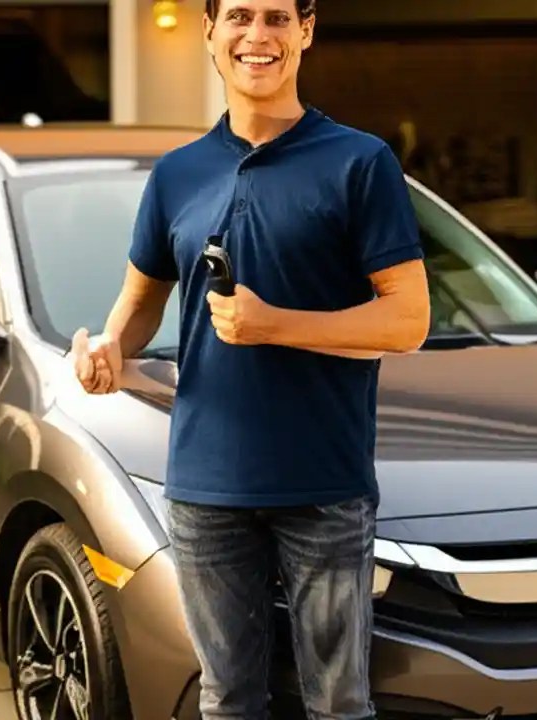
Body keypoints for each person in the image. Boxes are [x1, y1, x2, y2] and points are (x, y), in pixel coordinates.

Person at [72, 0, 431, 717]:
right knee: (228, 700)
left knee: (338, 702)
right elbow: (142, 298)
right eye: (239, 16)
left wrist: (276, 325)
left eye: (276, 18)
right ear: (209, 32)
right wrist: (112, 345)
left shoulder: (360, 162)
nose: (257, 36)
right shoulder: (177, 174)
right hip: (206, 488)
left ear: (306, 29)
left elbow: (409, 320)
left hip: (324, 484)